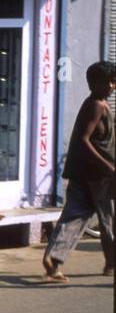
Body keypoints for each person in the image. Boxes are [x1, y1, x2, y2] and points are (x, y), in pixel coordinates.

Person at [41, 60, 116, 282]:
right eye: (107, 82)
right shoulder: (97, 105)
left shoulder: (97, 103)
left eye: (114, 81)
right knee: (108, 221)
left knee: (74, 216)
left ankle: (54, 260)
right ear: (93, 83)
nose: (111, 86)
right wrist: (109, 167)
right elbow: (83, 140)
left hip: (83, 172)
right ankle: (111, 265)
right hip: (99, 176)